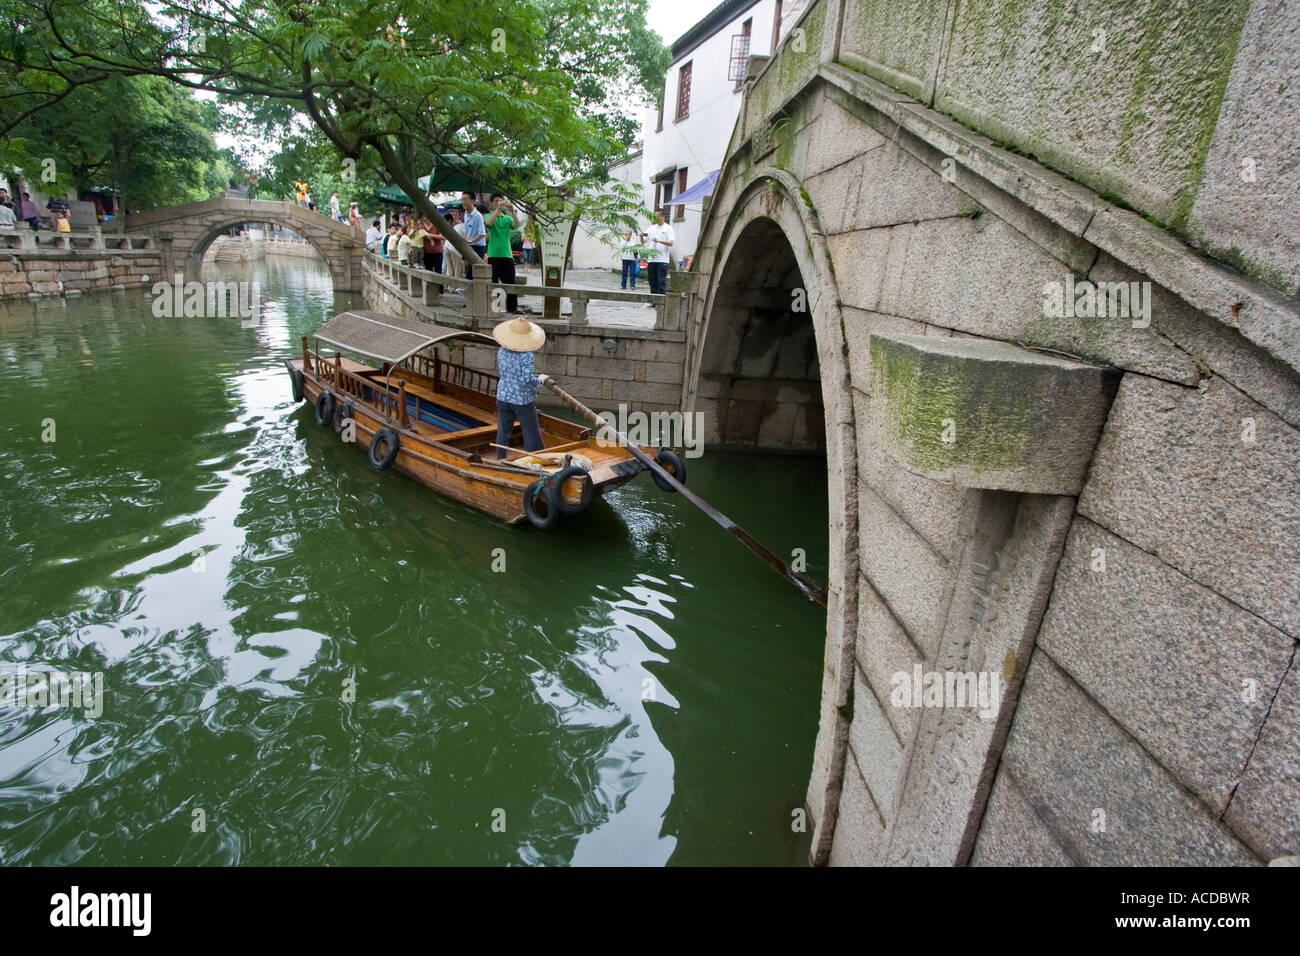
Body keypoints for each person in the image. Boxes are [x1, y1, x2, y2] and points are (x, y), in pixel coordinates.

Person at [492, 316, 549, 459]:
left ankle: (500, 458)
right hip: (521, 400)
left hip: (503, 395)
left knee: (504, 429)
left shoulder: (502, 351)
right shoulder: (526, 356)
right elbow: (526, 380)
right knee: (531, 432)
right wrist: (539, 381)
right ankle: (537, 460)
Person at [485, 193, 518, 314]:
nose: (499, 203)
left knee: (510, 281)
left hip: (507, 254)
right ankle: (494, 307)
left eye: (500, 201)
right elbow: (489, 223)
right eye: (496, 201)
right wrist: (497, 209)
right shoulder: (488, 215)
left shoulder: (507, 218)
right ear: (491, 203)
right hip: (493, 253)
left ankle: (512, 307)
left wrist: (512, 211)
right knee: (493, 281)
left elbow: (516, 225)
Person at [642, 208, 675, 297]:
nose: (656, 218)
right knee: (652, 281)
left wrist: (659, 241)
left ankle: (661, 301)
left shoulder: (668, 228)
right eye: (654, 217)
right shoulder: (651, 228)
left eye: (657, 216)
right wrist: (641, 236)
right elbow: (643, 241)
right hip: (652, 259)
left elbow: (671, 242)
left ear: (663, 217)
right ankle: (653, 300)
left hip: (663, 259)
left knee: (661, 281)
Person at [460, 191, 486, 278]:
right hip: (470, 245)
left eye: (465, 199)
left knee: (473, 272)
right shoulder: (466, 214)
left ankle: (473, 290)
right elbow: (466, 230)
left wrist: (470, 240)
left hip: (478, 247)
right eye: (462, 199)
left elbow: (482, 233)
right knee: (469, 271)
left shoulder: (478, 216)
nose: (463, 202)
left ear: (473, 201)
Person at [420, 215, 444, 290]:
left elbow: (443, 237)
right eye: (424, 217)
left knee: (438, 271)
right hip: (426, 252)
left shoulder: (437, 225)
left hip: (437, 252)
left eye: (427, 216)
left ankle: (440, 290)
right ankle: (430, 289)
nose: (426, 219)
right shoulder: (421, 227)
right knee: (428, 270)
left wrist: (431, 236)